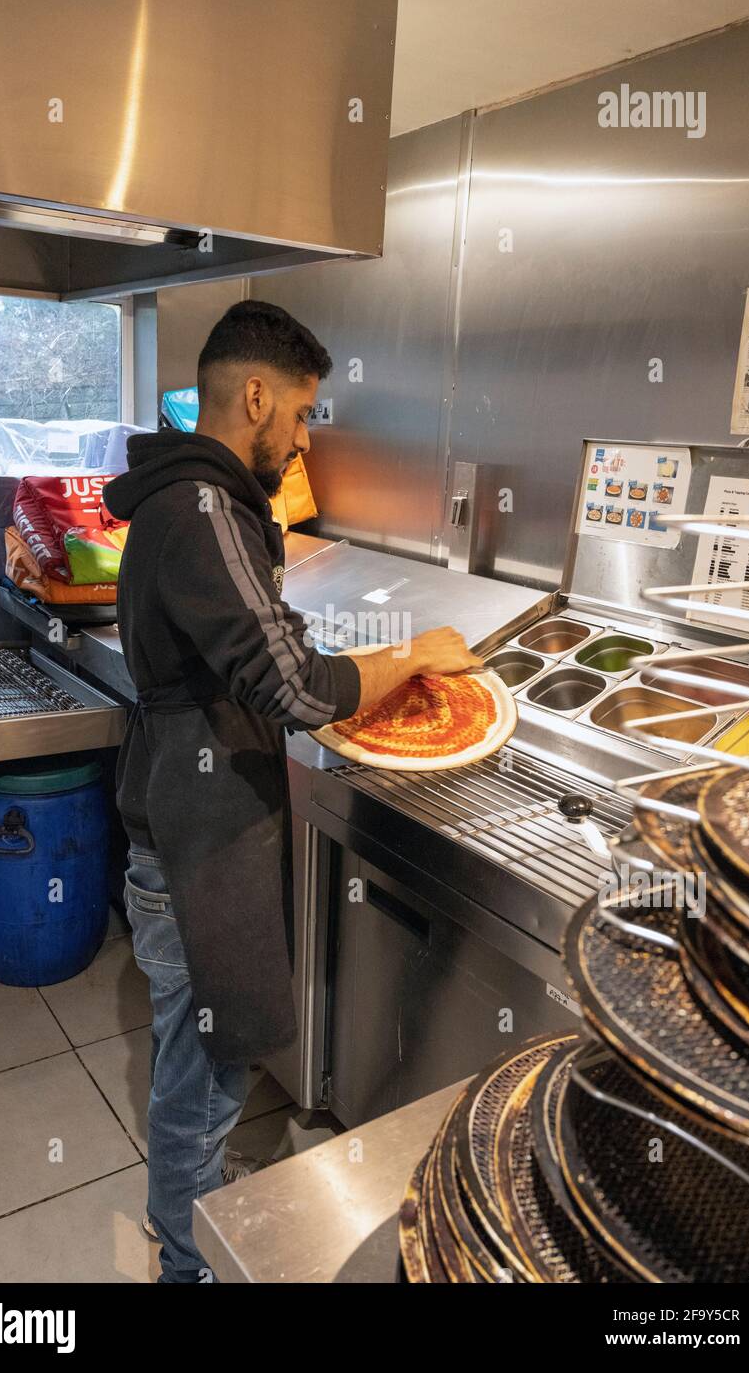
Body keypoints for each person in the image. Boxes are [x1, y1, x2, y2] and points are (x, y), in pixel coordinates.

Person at [103, 300, 480, 1283]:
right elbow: (298, 686)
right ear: (257, 395)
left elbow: (258, 650)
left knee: (194, 1051)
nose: (303, 436)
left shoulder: (185, 496)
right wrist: (415, 654)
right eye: (303, 413)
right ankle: (189, 1262)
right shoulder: (203, 508)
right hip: (196, 845)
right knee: (210, 1068)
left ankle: (178, 1231)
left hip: (183, 827)